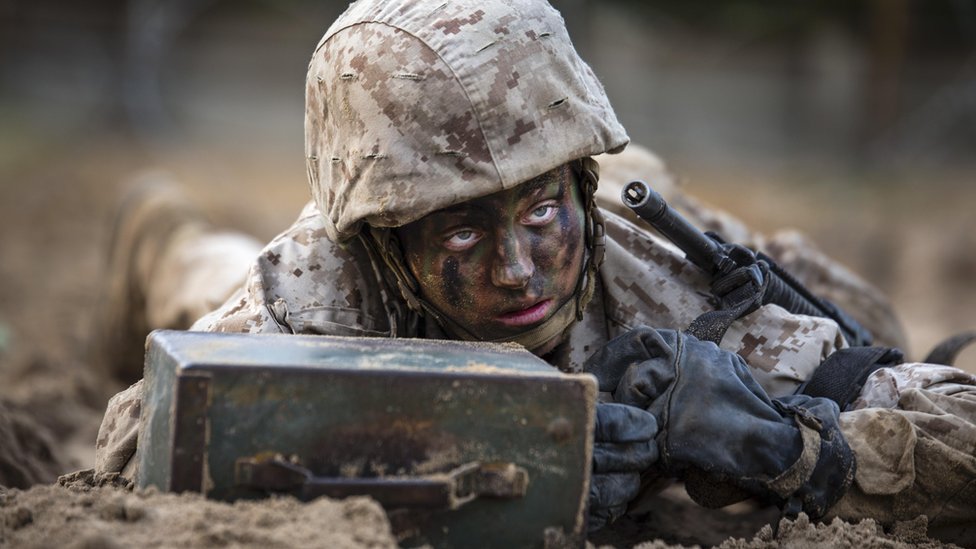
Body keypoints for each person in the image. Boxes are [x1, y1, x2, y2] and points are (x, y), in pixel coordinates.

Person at [93, 0, 976, 542]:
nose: (521, 273)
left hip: (656, 206)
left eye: (543, 212)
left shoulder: (681, 299)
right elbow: (138, 451)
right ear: (384, 238)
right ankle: (160, 235)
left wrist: (788, 447)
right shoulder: (320, 284)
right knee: (201, 274)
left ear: (578, 188)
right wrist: (483, 455)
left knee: (869, 326)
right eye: (465, 234)